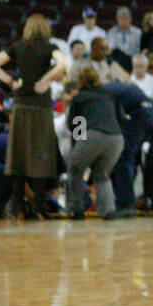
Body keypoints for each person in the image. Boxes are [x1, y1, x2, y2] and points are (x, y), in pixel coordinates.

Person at [0, 14, 66, 217]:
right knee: (40, 156)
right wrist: (46, 79)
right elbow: (64, 63)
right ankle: (39, 207)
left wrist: (10, 81)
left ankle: (18, 208)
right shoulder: (49, 47)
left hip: (20, 105)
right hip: (41, 106)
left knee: (18, 156)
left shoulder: (18, 46)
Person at [65, 68, 125, 220]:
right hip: (116, 137)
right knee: (102, 175)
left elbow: (77, 125)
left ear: (81, 81)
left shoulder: (80, 98)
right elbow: (122, 118)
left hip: (94, 134)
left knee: (75, 168)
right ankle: (109, 211)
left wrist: (76, 151)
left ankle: (77, 209)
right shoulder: (109, 95)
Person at [103, 80, 153, 212]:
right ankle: (149, 198)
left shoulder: (90, 96)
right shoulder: (111, 87)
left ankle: (126, 203)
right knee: (134, 158)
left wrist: (79, 142)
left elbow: (80, 120)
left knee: (124, 157)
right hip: (149, 112)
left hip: (138, 115)